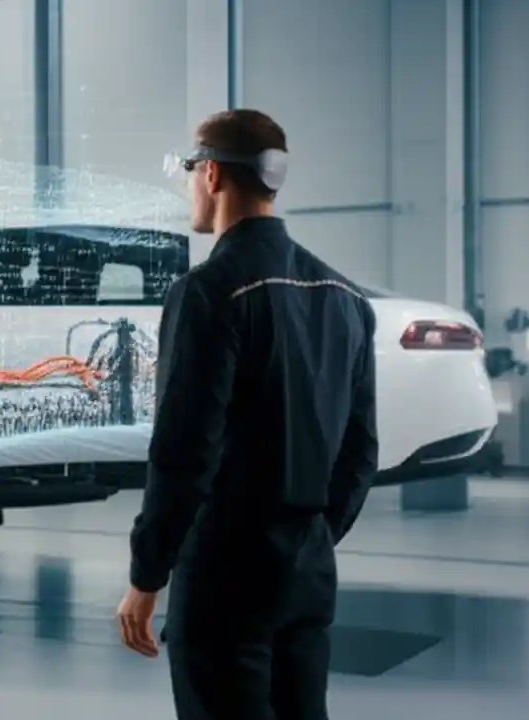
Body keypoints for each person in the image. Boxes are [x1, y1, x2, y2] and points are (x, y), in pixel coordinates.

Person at [115, 109, 378, 719]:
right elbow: (360, 449)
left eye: (189, 172)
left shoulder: (208, 292)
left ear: (210, 174)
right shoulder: (347, 299)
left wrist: (147, 574)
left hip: (225, 571)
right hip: (308, 566)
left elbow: (183, 452)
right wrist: (309, 535)